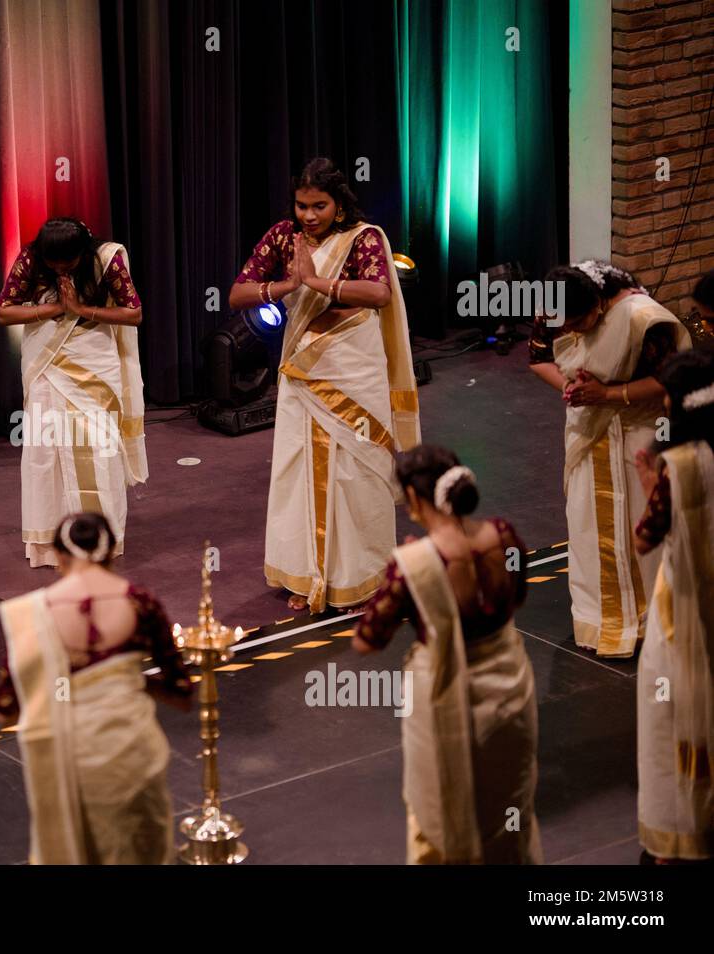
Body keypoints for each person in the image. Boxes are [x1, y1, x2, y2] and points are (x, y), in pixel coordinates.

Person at [229, 157, 420, 614]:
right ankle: (307, 573)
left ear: (339, 203)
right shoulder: (282, 236)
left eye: (319, 205)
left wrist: (315, 282)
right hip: (302, 369)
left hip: (353, 366)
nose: (309, 215)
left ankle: (361, 578)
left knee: (356, 472)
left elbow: (377, 293)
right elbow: (238, 293)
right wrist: (285, 286)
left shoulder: (364, 237)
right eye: (301, 205)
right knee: (298, 472)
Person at [354, 445, 541, 864]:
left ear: (418, 500)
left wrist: (412, 582)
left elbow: (367, 639)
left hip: (446, 693)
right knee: (508, 796)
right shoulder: (504, 535)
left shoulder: (414, 564)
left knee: (442, 807)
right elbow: (519, 595)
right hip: (512, 683)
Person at [0, 513, 193, 863]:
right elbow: (181, 692)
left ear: (58, 554)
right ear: (110, 550)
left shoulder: (33, 614)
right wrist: (129, 679)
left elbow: (6, 710)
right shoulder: (141, 602)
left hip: (73, 757)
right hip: (136, 751)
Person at [529, 260, 690, 657]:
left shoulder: (641, 319)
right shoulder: (553, 306)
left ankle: (658, 624)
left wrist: (609, 396)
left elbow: (671, 379)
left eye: (576, 325)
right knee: (587, 523)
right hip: (590, 427)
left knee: (643, 522)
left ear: (598, 306)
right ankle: (600, 620)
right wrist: (571, 386)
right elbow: (537, 359)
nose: (568, 333)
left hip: (640, 427)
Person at [0, 218, 147, 568]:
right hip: (47, 363)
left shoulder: (105, 259)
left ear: (83, 251)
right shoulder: (32, 258)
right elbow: (4, 312)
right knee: (47, 450)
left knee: (98, 449)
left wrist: (82, 311)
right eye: (54, 264)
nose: (60, 269)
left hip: (94, 359)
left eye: (68, 263)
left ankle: (99, 538)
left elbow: (134, 312)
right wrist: (55, 309)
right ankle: (52, 544)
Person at [632, 350, 714, 863]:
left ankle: (678, 837)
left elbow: (645, 540)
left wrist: (648, 484)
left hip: (685, 607)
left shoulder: (678, 466)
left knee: (671, 718)